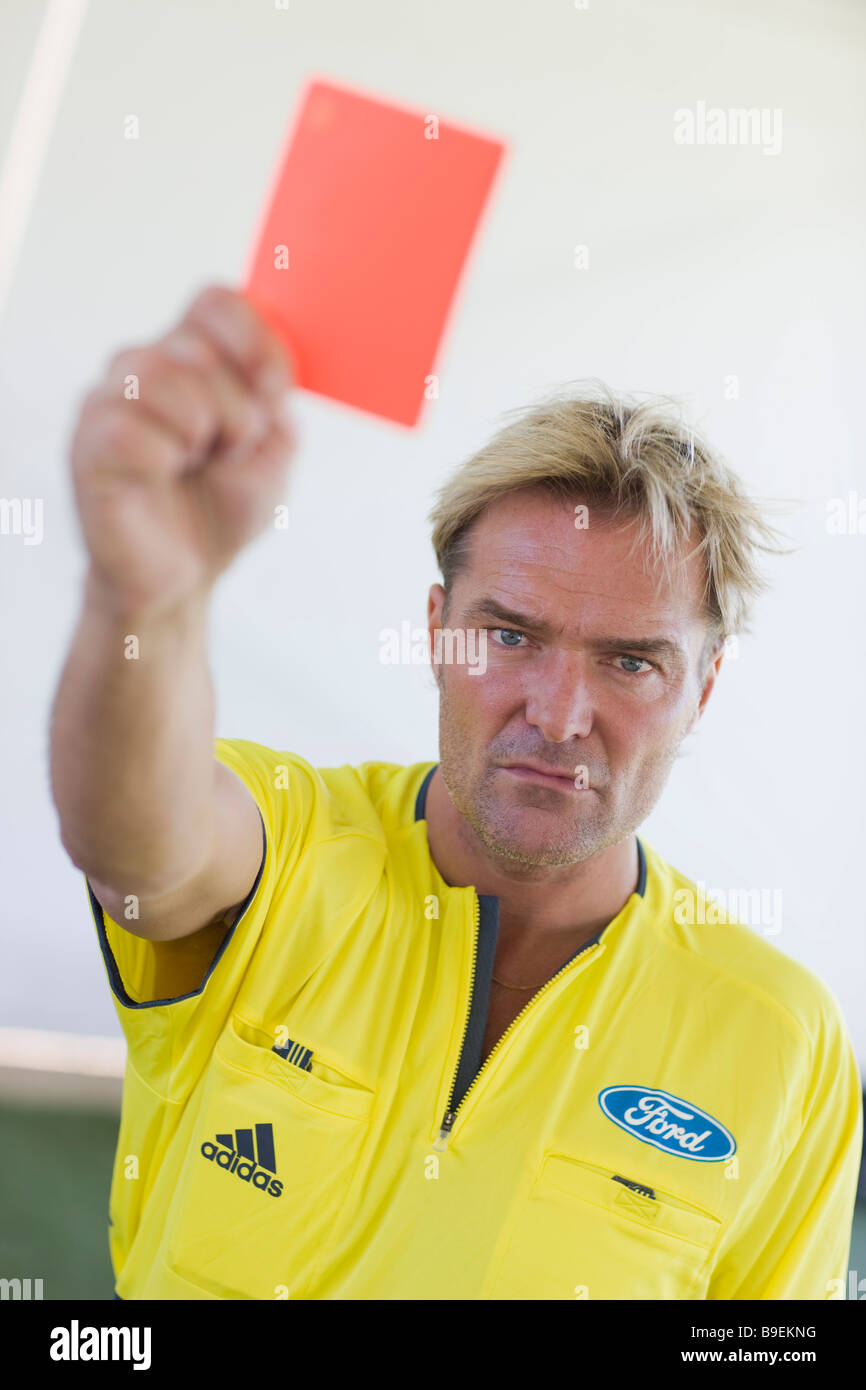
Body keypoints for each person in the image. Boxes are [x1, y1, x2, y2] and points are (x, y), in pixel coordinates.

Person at [50, 285, 862, 1300]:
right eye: (510, 636)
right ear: (438, 631)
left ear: (701, 686)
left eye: (630, 662)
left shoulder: (779, 1037)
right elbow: (136, 842)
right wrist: (141, 595)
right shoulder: (290, 844)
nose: (559, 713)